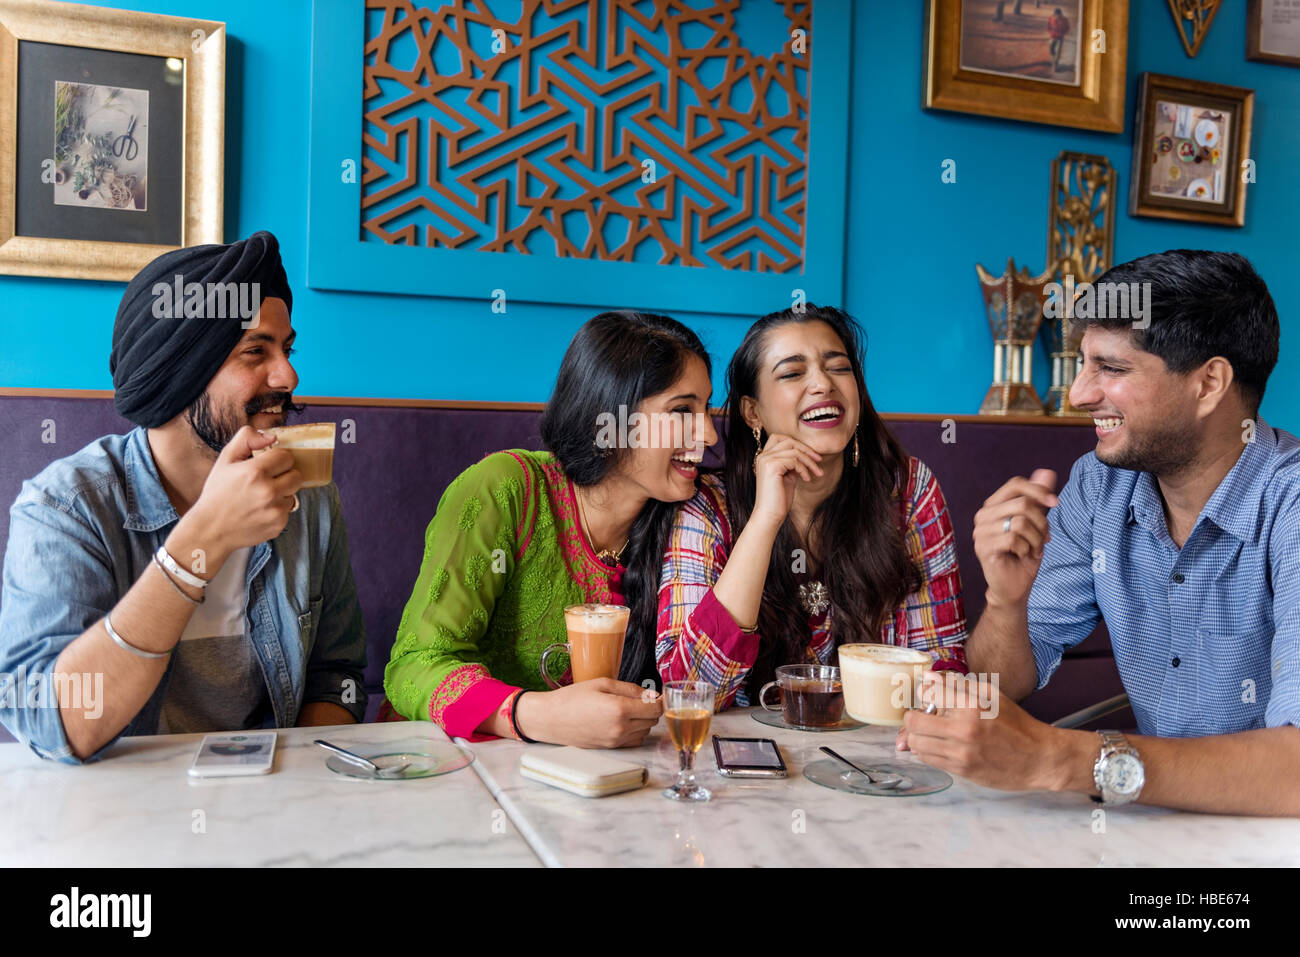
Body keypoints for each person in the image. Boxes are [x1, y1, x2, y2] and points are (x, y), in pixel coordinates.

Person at [902, 250, 1300, 816]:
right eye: (1084, 364)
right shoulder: (1100, 485)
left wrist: (1056, 757)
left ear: (1209, 383)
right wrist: (1006, 598)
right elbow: (1001, 685)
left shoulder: (1292, 506)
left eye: (1111, 369)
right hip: (1158, 832)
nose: (1080, 393)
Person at [0, 231, 368, 763]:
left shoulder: (308, 498)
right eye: (254, 351)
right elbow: (52, 723)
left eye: (285, 349)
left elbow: (337, 676)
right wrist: (204, 537)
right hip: (117, 816)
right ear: (180, 372)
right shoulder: (65, 506)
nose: (288, 375)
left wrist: (300, 779)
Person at [383, 312, 717, 747]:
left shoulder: (692, 519)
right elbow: (415, 664)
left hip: (601, 782)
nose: (708, 433)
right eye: (682, 411)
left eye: (707, 408)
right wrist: (532, 715)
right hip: (453, 767)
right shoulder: (506, 490)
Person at [656, 305, 968, 712]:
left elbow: (942, 665)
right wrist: (765, 521)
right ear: (753, 411)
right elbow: (689, 692)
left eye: (838, 368)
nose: (823, 384)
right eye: (792, 373)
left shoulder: (907, 492)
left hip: (876, 761)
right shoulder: (708, 506)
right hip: (743, 764)